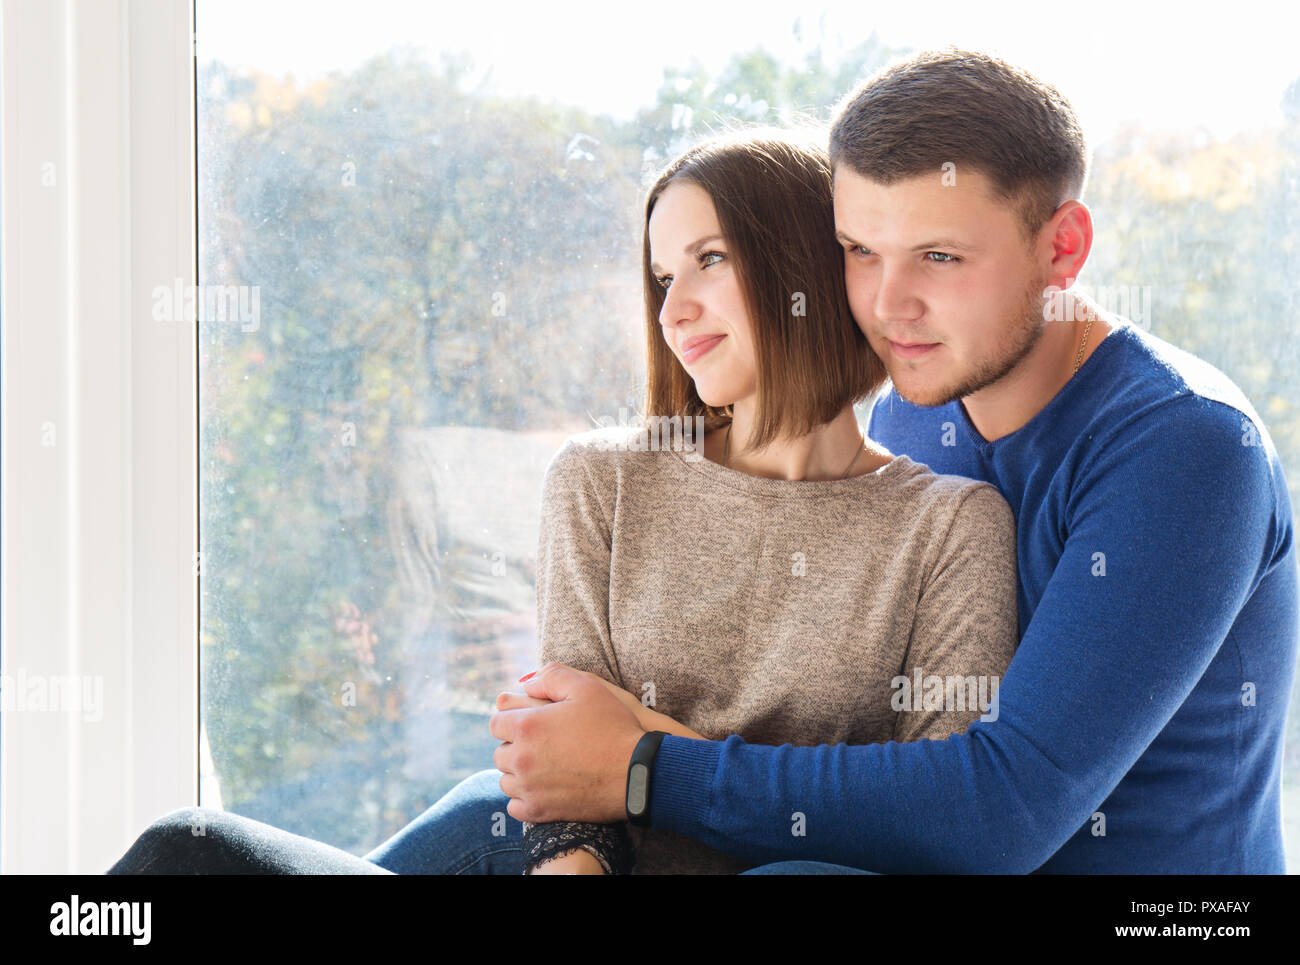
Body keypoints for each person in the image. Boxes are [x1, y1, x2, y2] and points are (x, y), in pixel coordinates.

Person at [107, 128, 1019, 875]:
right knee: (186, 854)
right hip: (532, 861)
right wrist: (596, 804)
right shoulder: (606, 478)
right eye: (664, 279)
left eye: (709, 260)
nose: (674, 313)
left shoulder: (950, 527)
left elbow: (932, 826)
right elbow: (559, 789)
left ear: (806, 272)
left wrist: (636, 751)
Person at [491, 48, 1299, 874]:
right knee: (474, 817)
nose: (885, 304)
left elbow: (1003, 808)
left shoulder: (1186, 447)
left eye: (939, 257)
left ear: (1063, 247)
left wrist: (640, 765)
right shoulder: (916, 407)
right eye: (860, 250)